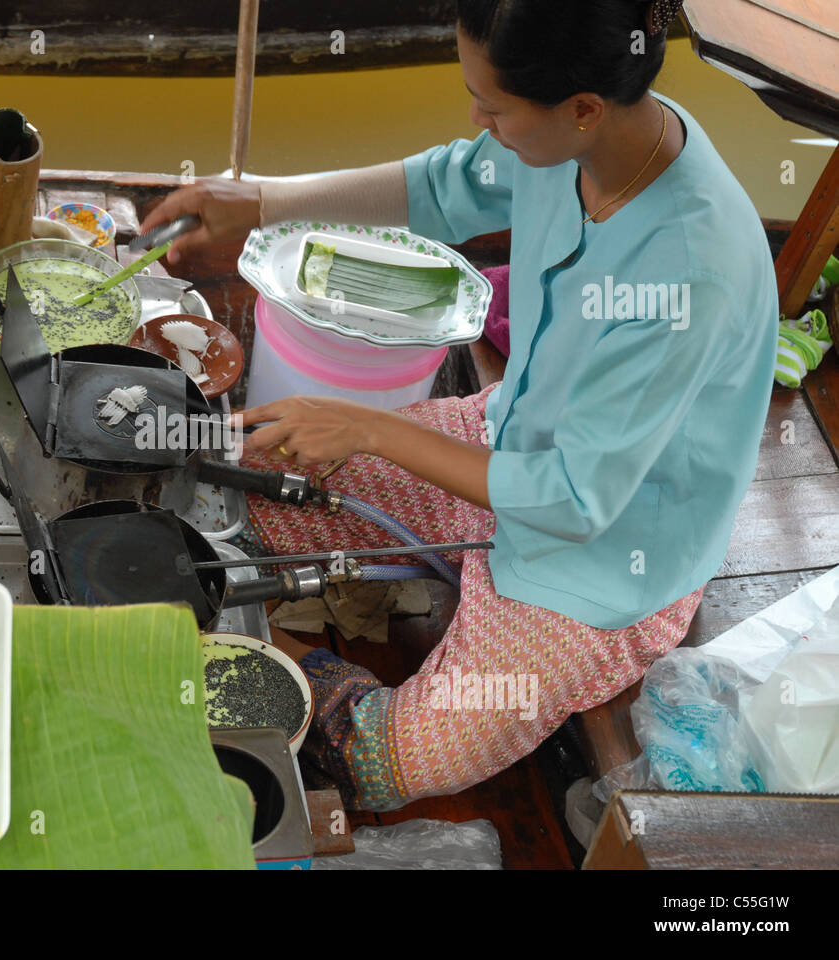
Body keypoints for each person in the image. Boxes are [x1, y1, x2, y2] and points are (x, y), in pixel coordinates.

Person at [141, 0, 778, 811]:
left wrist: (366, 425)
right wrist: (261, 203)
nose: (478, 120)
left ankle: (295, 662)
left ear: (583, 110)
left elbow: (577, 498)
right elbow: (447, 185)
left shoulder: (689, 270)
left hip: (603, 561)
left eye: (494, 107)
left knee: (382, 769)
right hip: (500, 439)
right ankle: (355, 606)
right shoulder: (582, 138)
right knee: (233, 490)